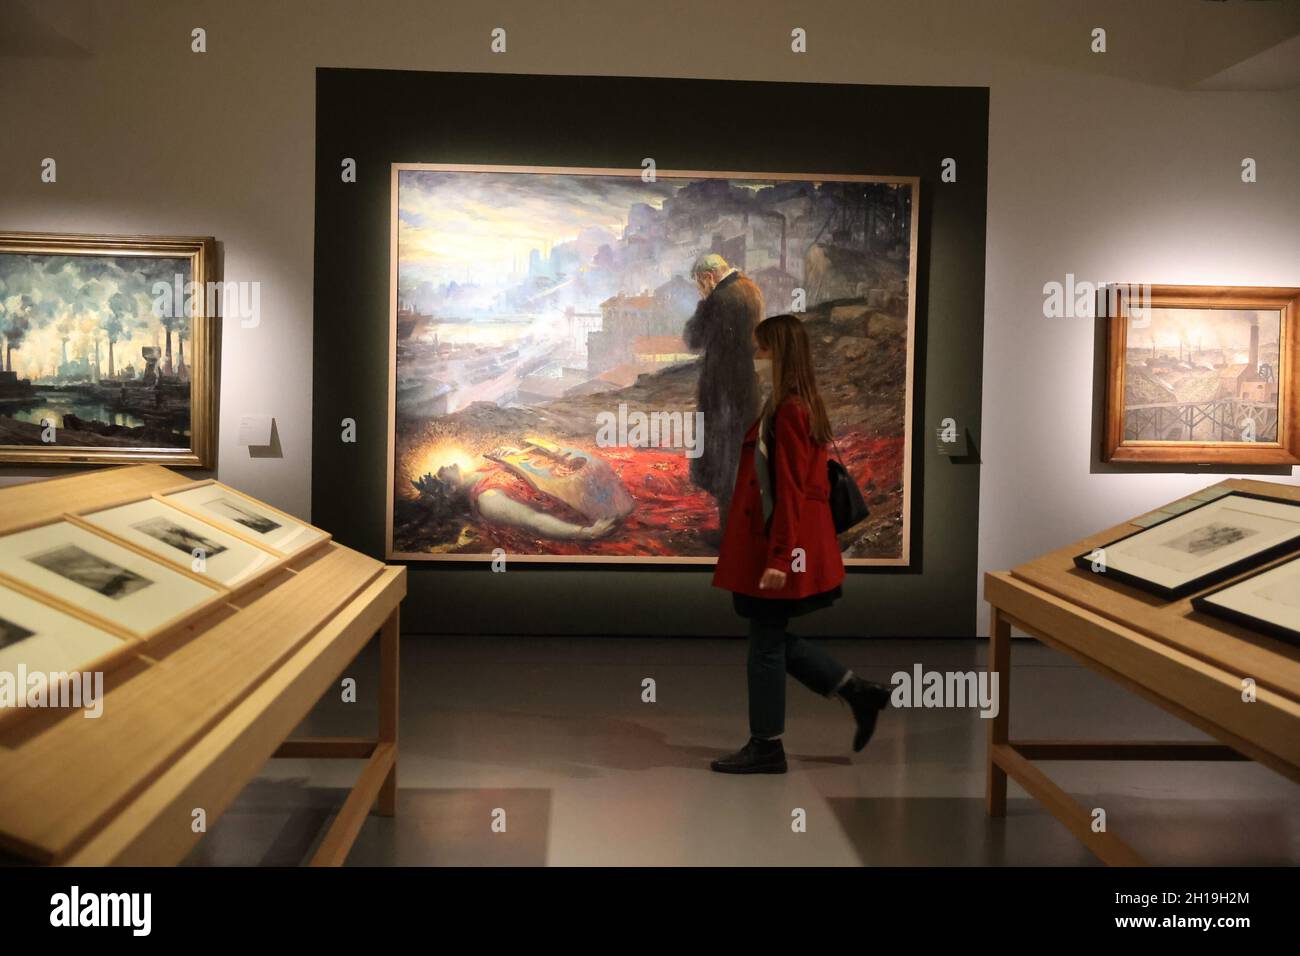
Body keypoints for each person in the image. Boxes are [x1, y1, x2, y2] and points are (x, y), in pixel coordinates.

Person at [709, 313, 891, 774]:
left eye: (762, 350)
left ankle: (767, 746)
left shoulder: (789, 410)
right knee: (769, 638)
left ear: (781, 353)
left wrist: (779, 559)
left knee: (765, 645)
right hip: (781, 543)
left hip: (779, 546)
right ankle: (855, 691)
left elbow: (789, 491)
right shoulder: (792, 404)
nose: (756, 358)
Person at [682, 253, 764, 538]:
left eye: (699, 284)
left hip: (722, 391)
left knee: (724, 461)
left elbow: (692, 338)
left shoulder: (718, 299)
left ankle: (730, 536)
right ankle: (743, 531)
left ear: (708, 277)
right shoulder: (750, 289)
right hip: (745, 386)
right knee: (742, 459)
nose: (700, 290)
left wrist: (705, 302)